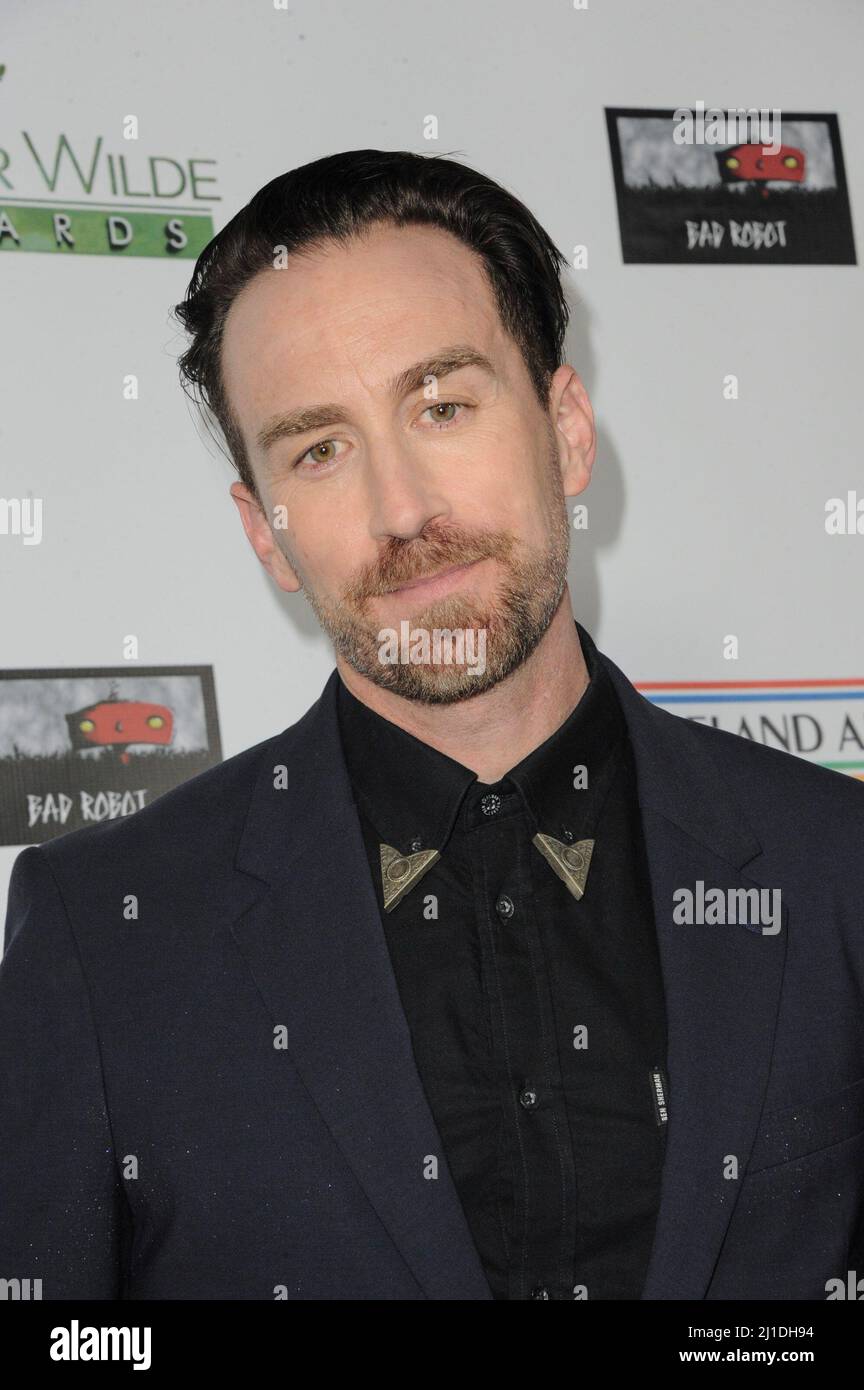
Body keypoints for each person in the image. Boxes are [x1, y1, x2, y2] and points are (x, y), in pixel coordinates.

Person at [2, 150, 863, 1301]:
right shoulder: (104, 937)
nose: (402, 508)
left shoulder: (836, 866)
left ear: (565, 430)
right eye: (320, 448)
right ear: (267, 533)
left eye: (442, 405)